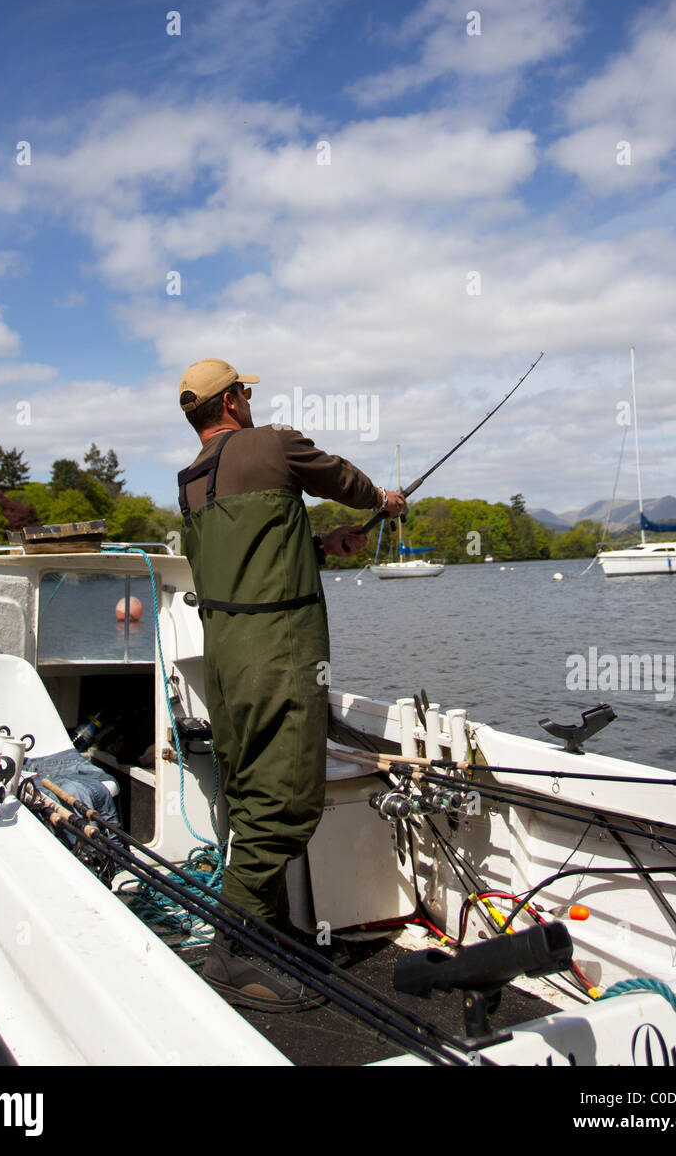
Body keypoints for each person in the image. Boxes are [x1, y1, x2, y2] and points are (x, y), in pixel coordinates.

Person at [176, 358, 405, 1010]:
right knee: (287, 801)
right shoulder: (273, 441)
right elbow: (343, 479)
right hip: (278, 655)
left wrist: (318, 545)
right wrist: (381, 502)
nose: (250, 400)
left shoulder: (193, 481)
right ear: (230, 402)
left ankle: (265, 936)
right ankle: (229, 948)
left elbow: (247, 557)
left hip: (224, 659)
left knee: (250, 791)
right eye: (243, 391)